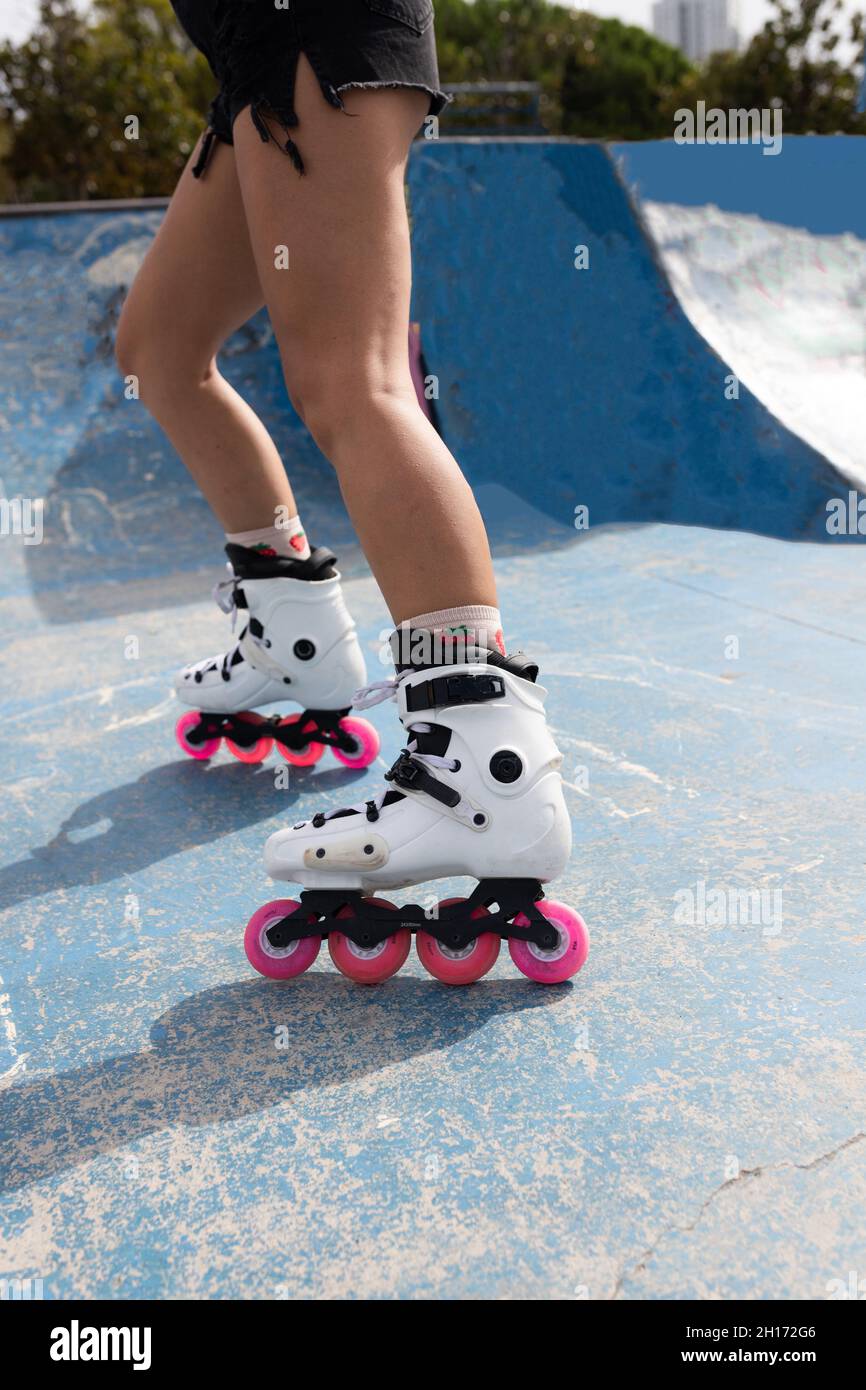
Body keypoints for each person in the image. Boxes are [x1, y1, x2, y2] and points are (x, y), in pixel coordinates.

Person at [117, 0, 582, 985]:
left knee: (351, 381)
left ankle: (479, 759)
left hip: (312, 28)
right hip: (254, 54)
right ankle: (297, 636)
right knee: (159, 351)